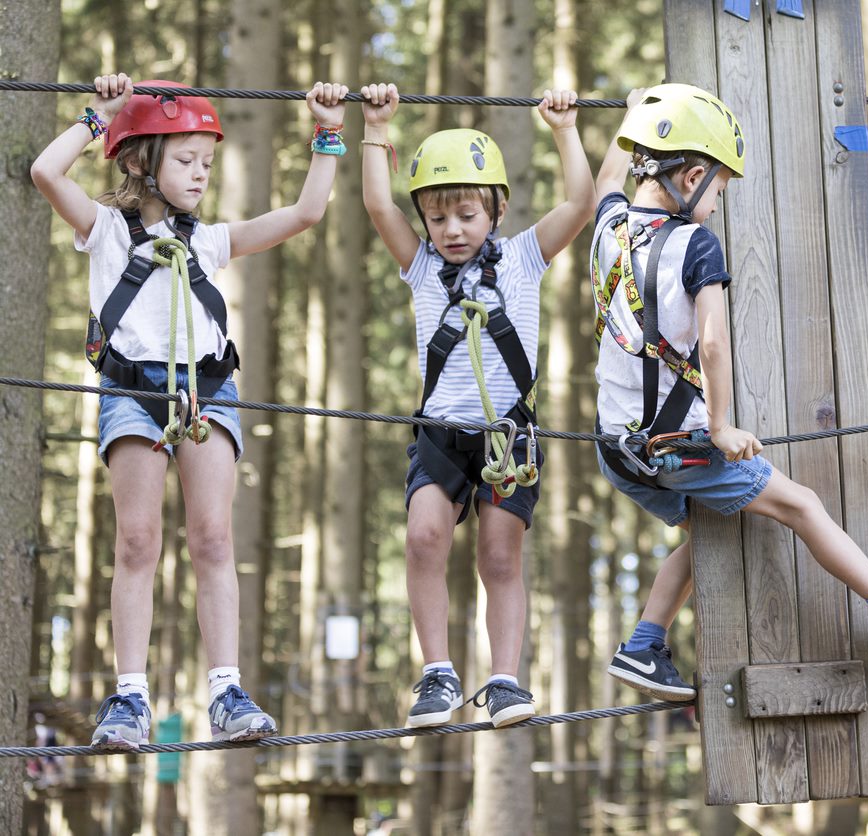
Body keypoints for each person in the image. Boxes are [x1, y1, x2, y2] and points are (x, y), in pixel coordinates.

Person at [590, 83, 868, 701]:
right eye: (721, 189)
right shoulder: (695, 244)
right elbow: (712, 344)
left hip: (617, 450)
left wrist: (632, 118)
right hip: (678, 445)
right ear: (692, 176)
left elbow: (608, 175)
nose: (718, 203)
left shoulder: (608, 229)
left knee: (705, 528)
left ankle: (643, 645)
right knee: (803, 504)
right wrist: (721, 425)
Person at [31, 73, 349, 749]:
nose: (201, 174)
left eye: (207, 162)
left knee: (212, 539)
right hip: (131, 393)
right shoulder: (107, 231)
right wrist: (101, 117)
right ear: (141, 161)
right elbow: (43, 172)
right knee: (137, 541)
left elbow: (305, 215)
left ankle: (227, 692)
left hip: (208, 392)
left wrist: (328, 132)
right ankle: (129, 698)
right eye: (185, 160)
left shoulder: (210, 240)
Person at [359, 83, 595, 727]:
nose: (451, 229)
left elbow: (581, 201)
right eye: (437, 218)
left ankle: (505, 680)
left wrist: (564, 130)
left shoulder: (523, 259)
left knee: (500, 556)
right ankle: (436, 672)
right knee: (422, 537)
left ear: (496, 210)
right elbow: (379, 204)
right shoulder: (421, 267)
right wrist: (377, 126)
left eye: (466, 213)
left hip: (506, 439)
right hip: (440, 433)